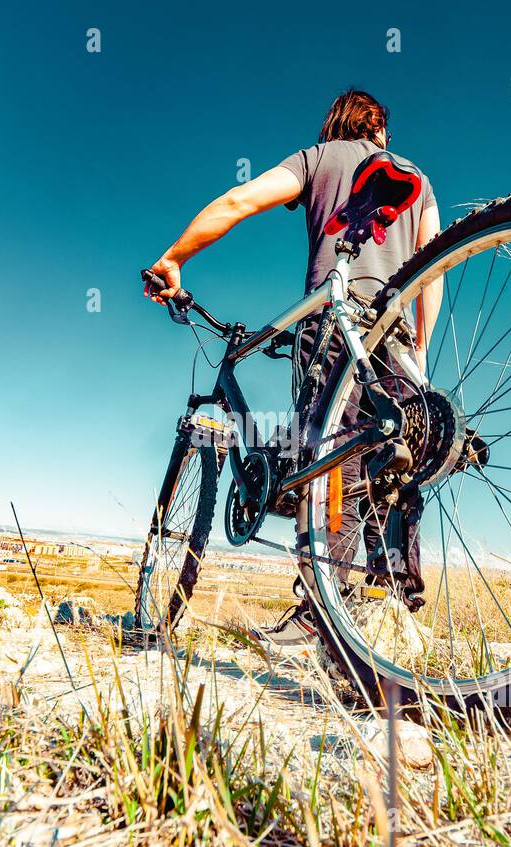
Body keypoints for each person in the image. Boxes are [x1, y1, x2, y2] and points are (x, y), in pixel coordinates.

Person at [146, 89, 441, 644]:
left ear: (337, 123)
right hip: (395, 330)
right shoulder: (419, 179)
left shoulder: (318, 158)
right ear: (383, 129)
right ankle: (395, 594)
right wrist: (421, 347)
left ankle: (321, 612)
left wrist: (174, 258)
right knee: (393, 456)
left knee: (331, 458)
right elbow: (433, 267)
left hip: (335, 325)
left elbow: (239, 201)